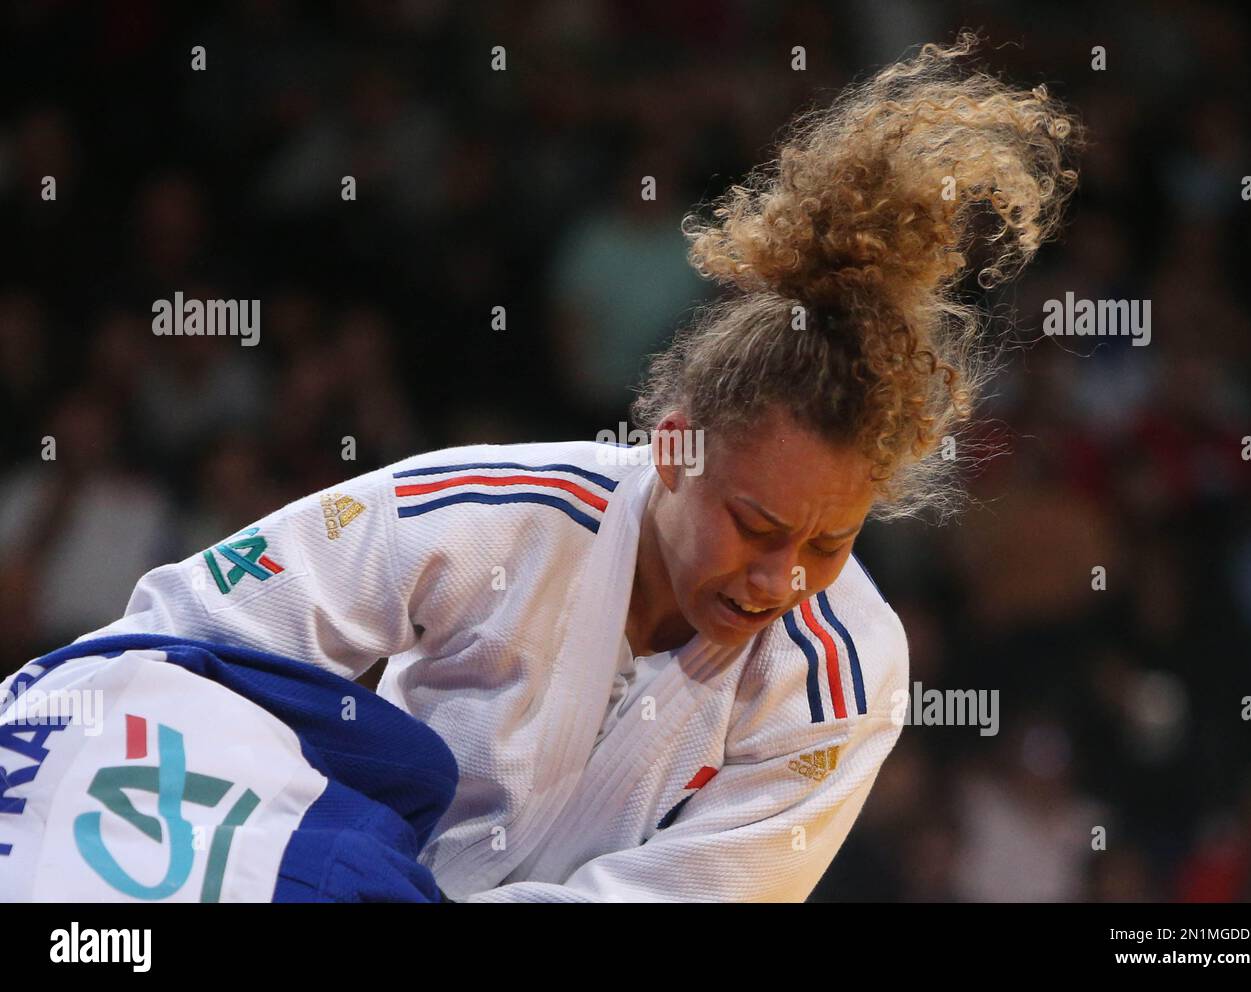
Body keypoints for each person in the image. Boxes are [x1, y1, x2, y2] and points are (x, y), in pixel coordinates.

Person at [0, 35, 1079, 902]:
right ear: (674, 445)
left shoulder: (847, 668)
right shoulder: (493, 510)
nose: (782, 578)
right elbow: (193, 634)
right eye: (756, 525)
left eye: (830, 539)